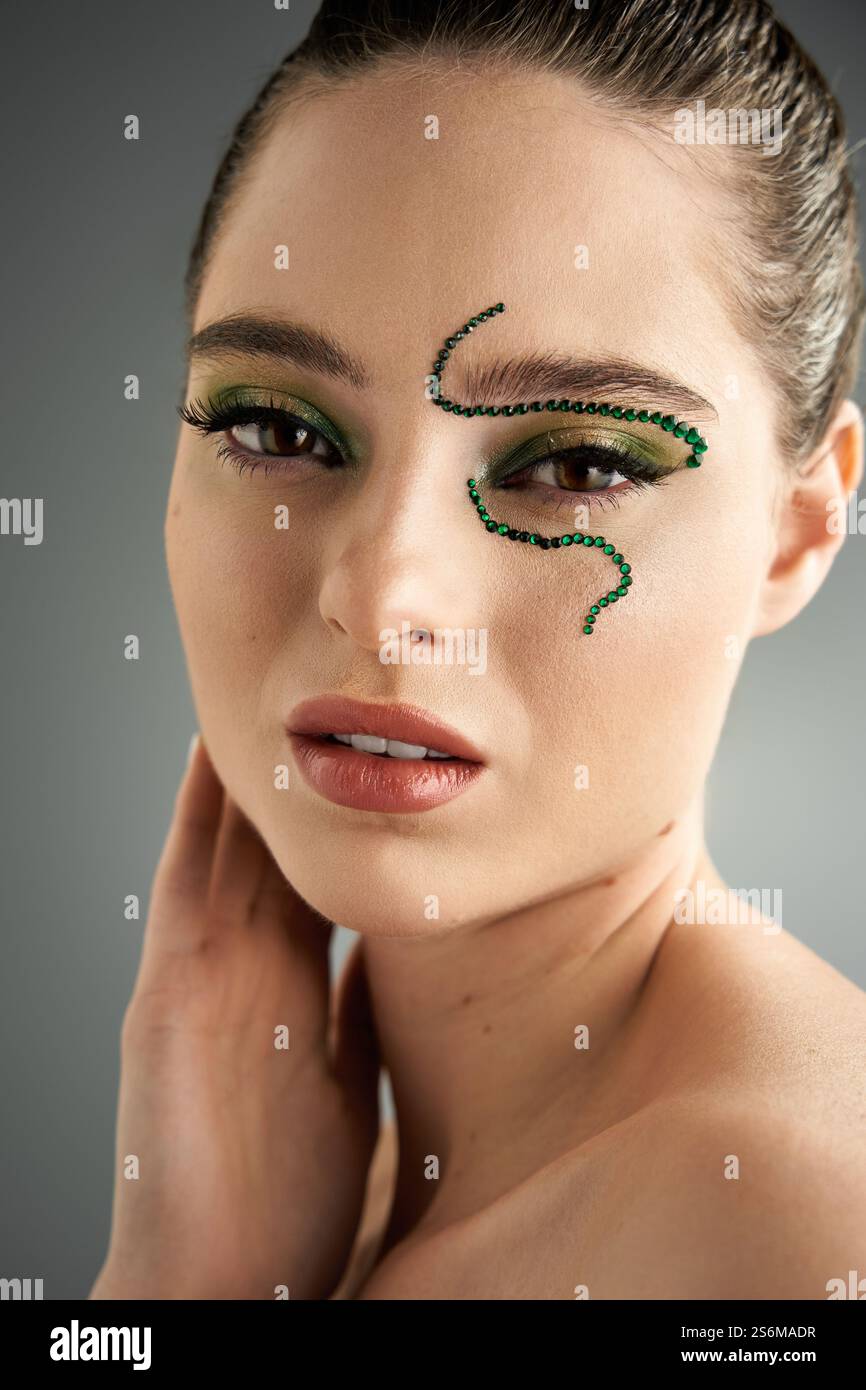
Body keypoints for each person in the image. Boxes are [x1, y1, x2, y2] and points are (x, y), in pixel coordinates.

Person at [90, 0, 866, 1300]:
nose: (384, 596)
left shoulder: (795, 1230)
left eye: (576, 462)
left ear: (794, 533)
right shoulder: (335, 1184)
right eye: (281, 432)